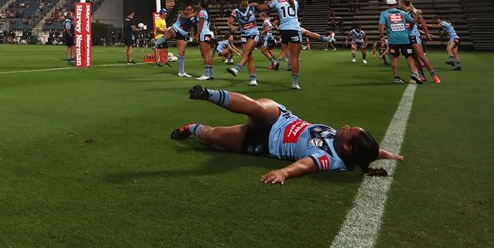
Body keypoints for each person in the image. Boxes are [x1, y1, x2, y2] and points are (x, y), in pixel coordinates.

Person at [170, 85, 403, 183]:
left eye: (349, 131)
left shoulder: (327, 158)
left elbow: (304, 166)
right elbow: (367, 152)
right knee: (257, 108)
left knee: (212, 136)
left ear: (348, 148)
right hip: (280, 117)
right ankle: (207, 94)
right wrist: (384, 154)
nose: (345, 126)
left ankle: (191, 128)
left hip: (262, 143)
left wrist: (283, 172)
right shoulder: (349, 146)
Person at [263, 0, 314, 90]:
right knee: (294, 57)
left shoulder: (276, 1)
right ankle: (294, 83)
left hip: (283, 31)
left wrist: (254, 5)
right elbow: (295, 12)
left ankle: (279, 61)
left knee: (285, 49)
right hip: (293, 29)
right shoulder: (294, 2)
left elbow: (263, 8)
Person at [379, 0, 424, 84]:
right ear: (395, 4)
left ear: (387, 4)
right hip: (405, 39)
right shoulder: (402, 13)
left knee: (394, 58)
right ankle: (414, 73)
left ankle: (396, 77)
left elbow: (381, 26)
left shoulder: (384, 14)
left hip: (393, 40)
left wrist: (382, 36)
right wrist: (418, 14)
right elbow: (413, 21)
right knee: (409, 57)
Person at [400, 0, 440, 83]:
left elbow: (422, 22)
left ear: (403, 3)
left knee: (421, 56)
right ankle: (421, 75)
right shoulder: (402, 13)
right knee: (414, 57)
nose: (398, 4)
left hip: (414, 36)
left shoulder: (413, 11)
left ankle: (433, 75)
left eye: (399, 3)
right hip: (406, 37)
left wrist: (426, 34)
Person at [226, 0, 264, 86]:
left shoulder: (252, 7)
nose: (245, 7)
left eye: (246, 5)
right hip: (243, 36)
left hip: (254, 34)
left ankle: (236, 69)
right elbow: (229, 22)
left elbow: (262, 9)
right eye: (243, 5)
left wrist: (257, 5)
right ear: (239, 4)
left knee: (245, 53)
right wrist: (231, 26)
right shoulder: (235, 12)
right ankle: (253, 80)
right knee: (249, 57)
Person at [195, 1, 215, 80]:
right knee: (208, 54)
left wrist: (197, 35)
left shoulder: (202, 13)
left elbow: (200, 25)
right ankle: (210, 73)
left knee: (205, 54)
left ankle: (206, 74)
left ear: (201, 4)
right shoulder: (206, 12)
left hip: (203, 34)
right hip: (207, 34)